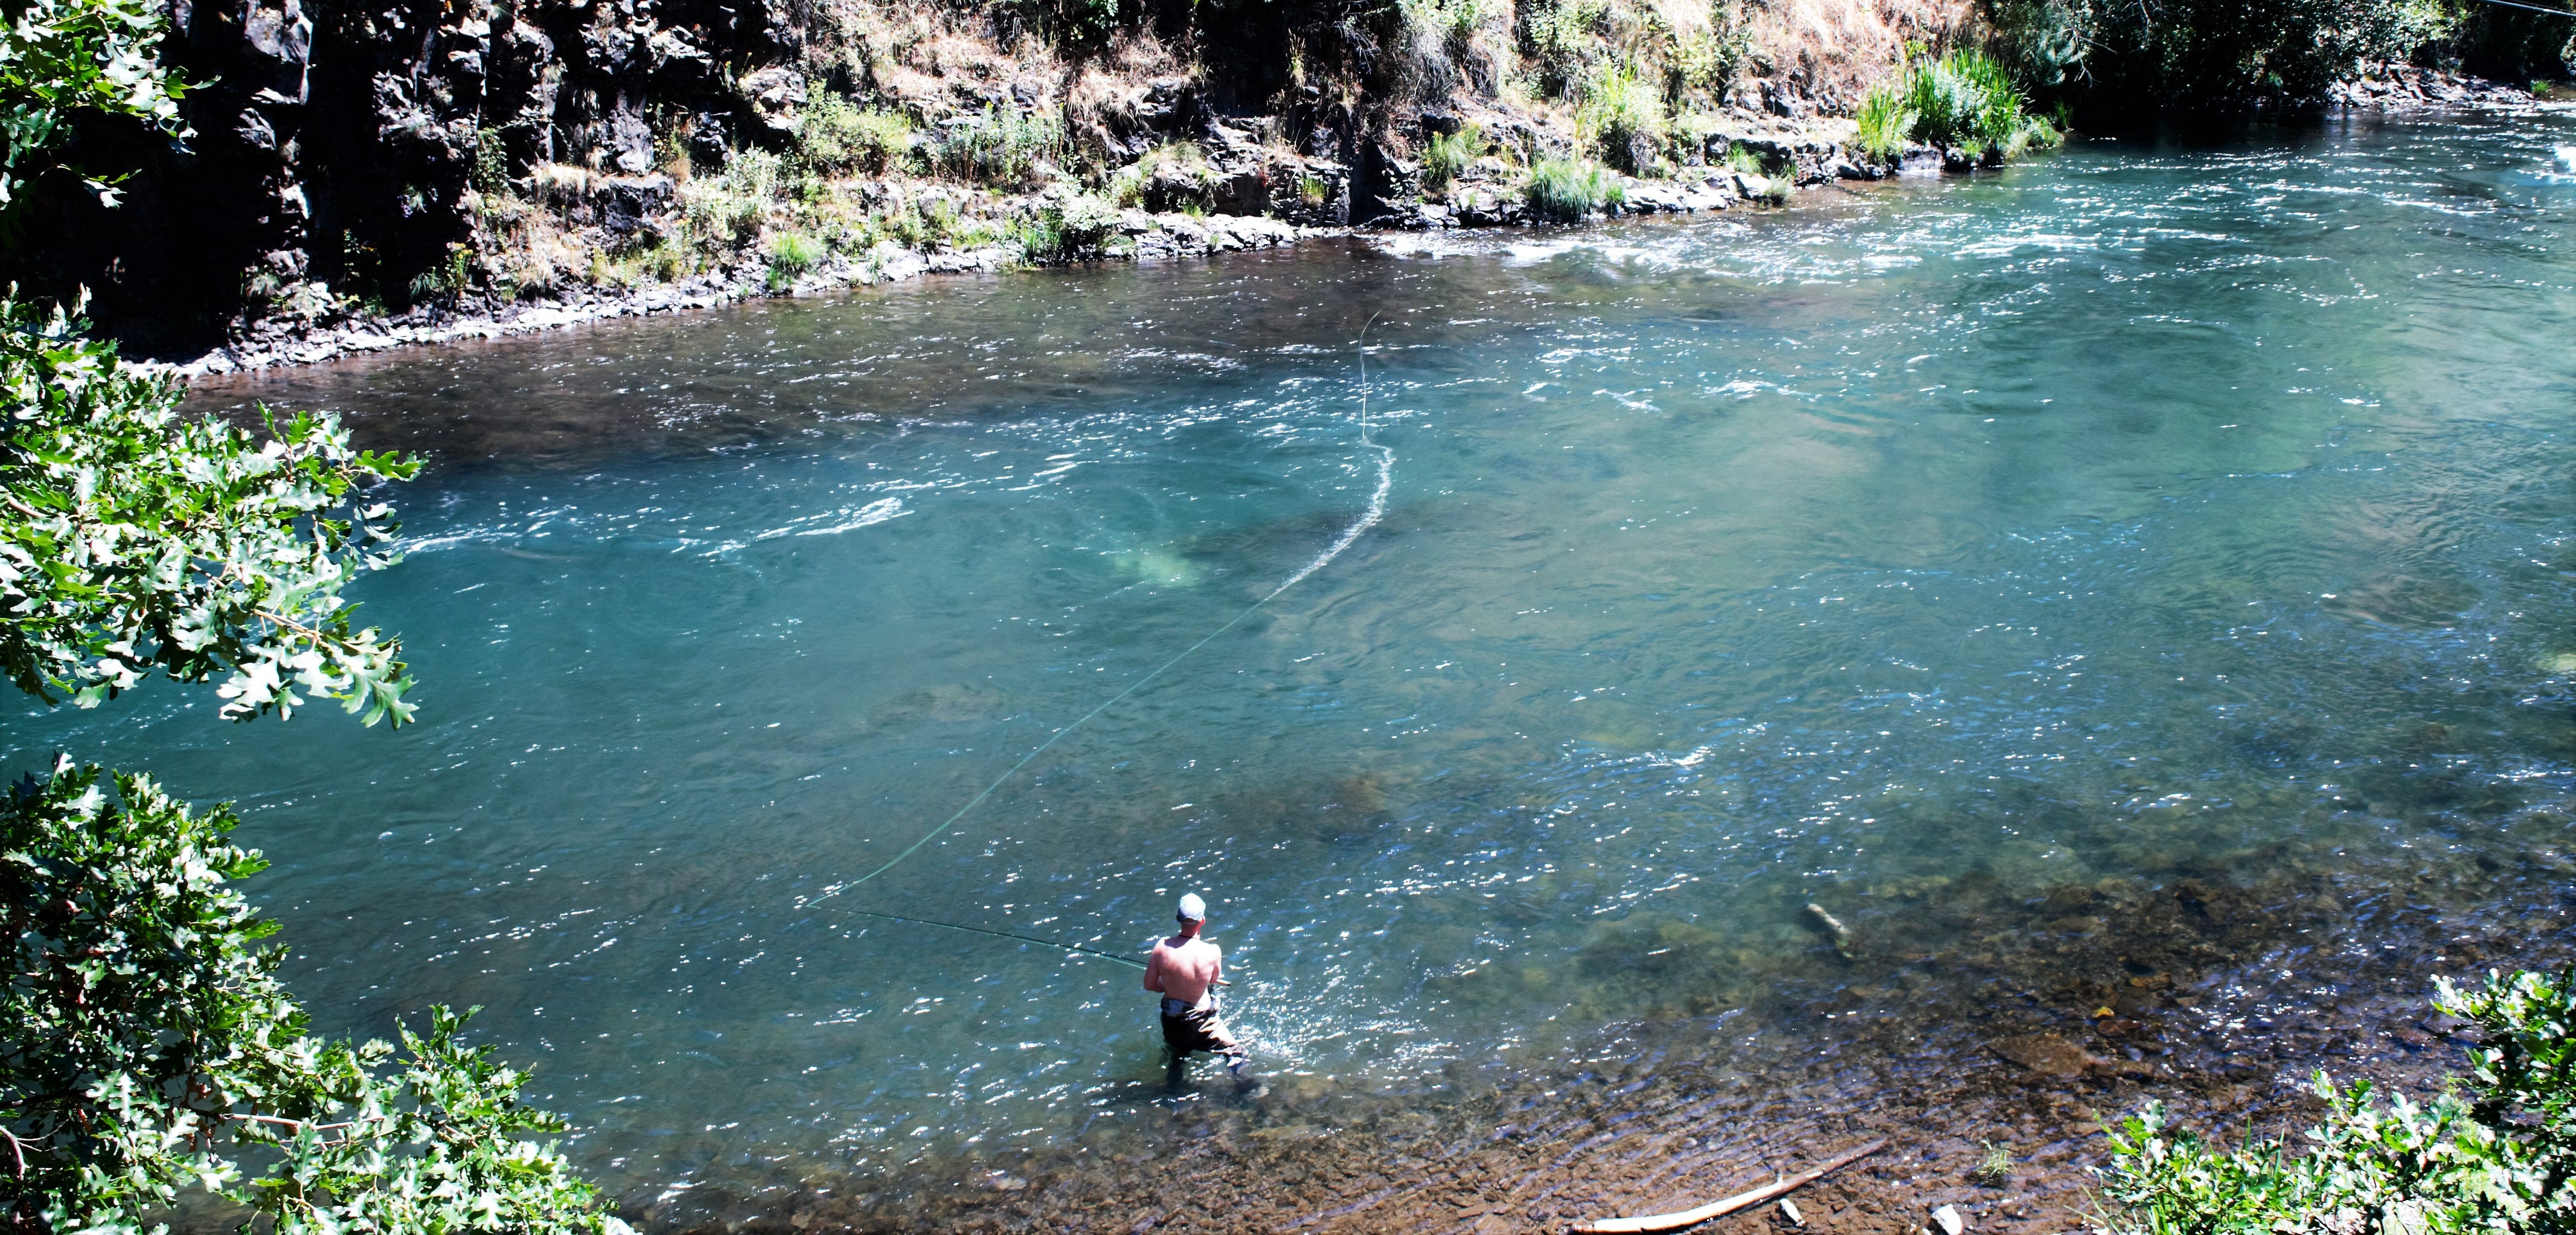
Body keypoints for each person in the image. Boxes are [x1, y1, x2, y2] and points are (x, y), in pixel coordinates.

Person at [1144, 893, 1247, 1076]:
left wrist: (1170, 985)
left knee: (1177, 1058)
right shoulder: (1212, 952)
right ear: (1203, 921)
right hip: (1201, 1024)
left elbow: (1150, 985)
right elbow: (1213, 981)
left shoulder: (1161, 947)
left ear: (1178, 920)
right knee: (1236, 1052)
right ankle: (1245, 1091)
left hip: (1172, 1024)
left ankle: (1173, 1098)